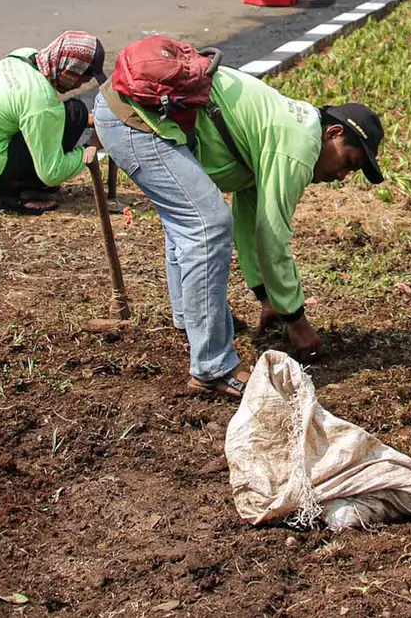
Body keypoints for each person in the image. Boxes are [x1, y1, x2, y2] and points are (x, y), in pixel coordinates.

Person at [94, 44, 386, 400]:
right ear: (334, 133)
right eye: (349, 162)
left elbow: (250, 220)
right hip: (134, 122)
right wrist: (297, 321)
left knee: (192, 222)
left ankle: (191, 322)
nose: (343, 175)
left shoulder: (281, 131)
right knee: (207, 226)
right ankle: (213, 368)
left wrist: (266, 297)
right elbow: (272, 237)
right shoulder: (297, 146)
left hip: (125, 110)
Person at [0, 31, 105, 213]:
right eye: (82, 80)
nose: (79, 86)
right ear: (71, 71)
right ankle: (15, 192)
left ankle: (18, 183)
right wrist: (93, 146)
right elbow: (52, 173)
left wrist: (88, 120)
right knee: (75, 113)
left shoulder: (24, 55)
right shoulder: (40, 101)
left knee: (76, 115)